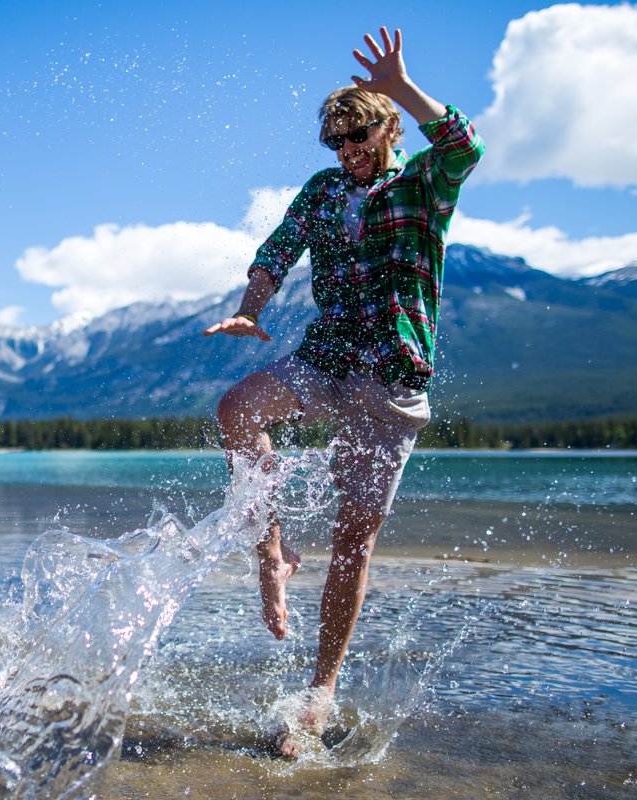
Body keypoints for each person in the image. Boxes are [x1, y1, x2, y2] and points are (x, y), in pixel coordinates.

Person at [204, 27, 484, 755]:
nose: (351, 155)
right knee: (236, 409)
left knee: (353, 543)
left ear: (388, 127)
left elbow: (464, 148)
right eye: (339, 146)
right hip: (329, 357)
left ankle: (320, 695)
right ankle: (270, 551)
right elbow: (277, 250)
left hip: (392, 376)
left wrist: (403, 87)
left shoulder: (424, 182)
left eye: (361, 139)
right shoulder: (325, 191)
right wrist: (252, 308)